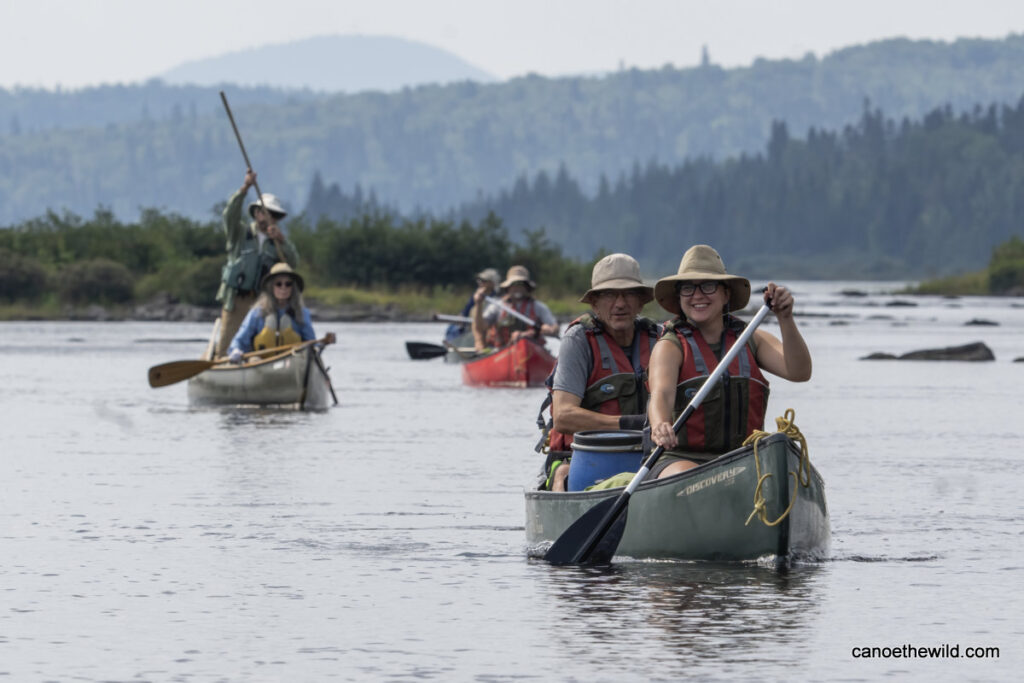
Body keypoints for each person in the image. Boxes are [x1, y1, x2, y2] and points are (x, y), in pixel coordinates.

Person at [646, 244, 811, 479]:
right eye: (688, 288)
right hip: (682, 459)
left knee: (780, 465)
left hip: (744, 457)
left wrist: (785, 319)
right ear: (679, 296)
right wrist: (660, 424)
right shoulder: (670, 346)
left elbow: (800, 372)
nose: (698, 295)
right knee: (690, 475)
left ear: (726, 294)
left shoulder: (751, 339)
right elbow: (660, 394)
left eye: (708, 286)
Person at [537, 253, 662, 491]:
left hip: (650, 456)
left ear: (641, 302)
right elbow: (563, 417)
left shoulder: (660, 338)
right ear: (594, 303)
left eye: (629, 294)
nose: (620, 303)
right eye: (609, 294)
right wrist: (630, 424)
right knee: (564, 473)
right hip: (583, 458)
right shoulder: (578, 340)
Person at [214, 169, 299, 358]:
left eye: (274, 215)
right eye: (267, 213)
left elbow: (292, 264)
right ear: (257, 213)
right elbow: (229, 215)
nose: (270, 218)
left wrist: (283, 241)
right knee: (227, 343)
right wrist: (245, 188)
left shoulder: (276, 242)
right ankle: (220, 363)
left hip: (263, 301)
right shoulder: (240, 233)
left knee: (257, 342)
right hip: (237, 299)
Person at [227, 263, 333, 362]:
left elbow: (311, 342)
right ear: (271, 287)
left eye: (288, 284)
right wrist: (236, 351)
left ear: (293, 288)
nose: (283, 288)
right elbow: (239, 341)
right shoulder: (257, 312)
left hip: (292, 363)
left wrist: (322, 344)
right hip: (261, 364)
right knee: (254, 360)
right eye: (278, 284)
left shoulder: (301, 313)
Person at [471, 265, 559, 352]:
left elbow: (554, 327)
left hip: (531, 351)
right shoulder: (497, 306)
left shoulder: (539, 307)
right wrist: (478, 304)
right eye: (514, 284)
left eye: (521, 284)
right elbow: (481, 327)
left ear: (527, 287)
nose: (517, 288)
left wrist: (551, 329)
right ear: (508, 287)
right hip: (501, 351)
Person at [444, 268, 500, 344]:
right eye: (479, 280)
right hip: (469, 326)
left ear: (492, 283)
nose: (480, 283)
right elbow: (466, 310)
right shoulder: (476, 296)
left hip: (483, 330)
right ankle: (451, 345)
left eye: (484, 281)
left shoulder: (496, 299)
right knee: (452, 328)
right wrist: (462, 316)